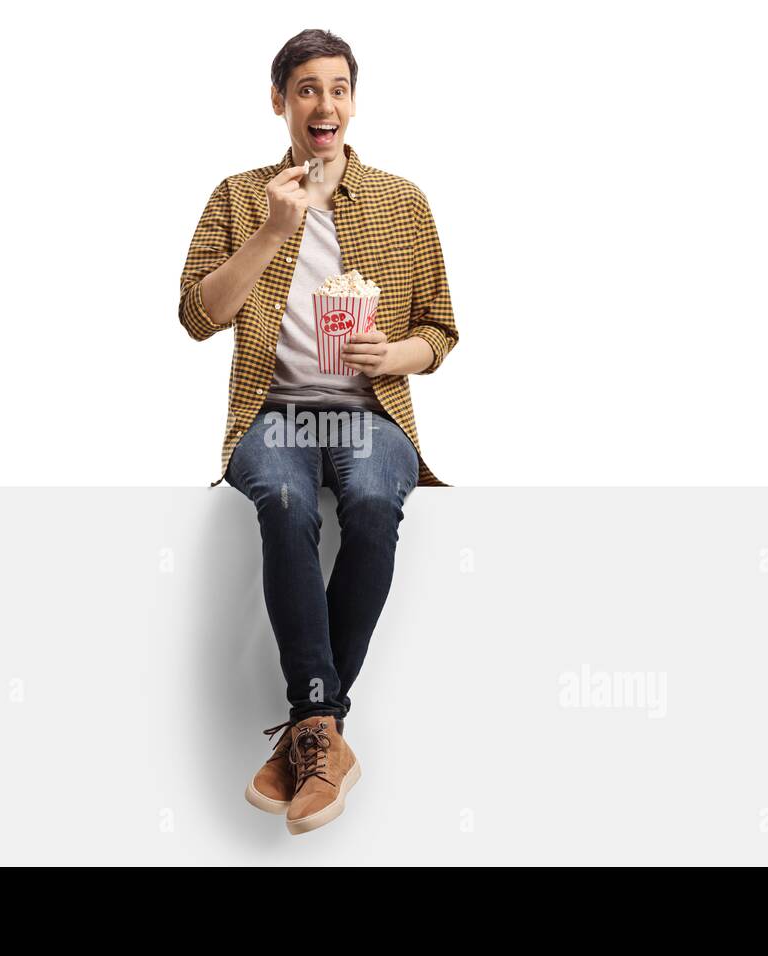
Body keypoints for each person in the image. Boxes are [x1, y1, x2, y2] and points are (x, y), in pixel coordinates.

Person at [177, 28, 459, 834]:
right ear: (280, 102)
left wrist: (393, 350)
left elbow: (440, 332)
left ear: (353, 102)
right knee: (284, 502)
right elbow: (200, 317)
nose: (324, 104)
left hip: (374, 412)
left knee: (374, 500)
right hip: (274, 414)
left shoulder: (402, 202)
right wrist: (272, 229)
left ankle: (310, 729)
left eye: (338, 88)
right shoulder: (240, 196)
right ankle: (324, 731)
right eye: (306, 89)